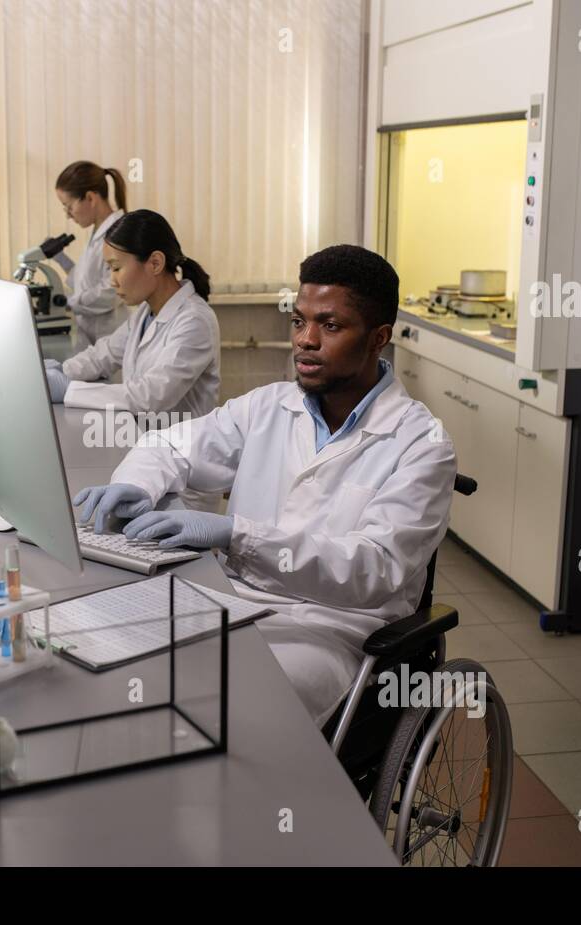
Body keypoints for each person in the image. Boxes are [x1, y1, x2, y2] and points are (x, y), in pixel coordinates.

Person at [71, 245, 457, 724]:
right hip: (231, 597)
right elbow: (167, 447)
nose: (305, 340)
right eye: (299, 322)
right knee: (120, 653)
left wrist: (236, 534)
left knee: (228, 704)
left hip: (331, 630)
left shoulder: (422, 443)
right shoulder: (269, 405)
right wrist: (137, 485)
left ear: (379, 338)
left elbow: (374, 569)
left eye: (330, 326)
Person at [44, 208, 222, 512]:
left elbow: (151, 396)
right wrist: (60, 370)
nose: (112, 280)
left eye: (115, 267)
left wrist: (69, 390)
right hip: (149, 454)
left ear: (155, 262)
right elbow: (104, 354)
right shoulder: (145, 312)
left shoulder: (194, 321)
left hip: (185, 475)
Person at [52, 161, 130, 346]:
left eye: (69, 206)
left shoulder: (118, 234)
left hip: (111, 338)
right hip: (92, 338)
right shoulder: (97, 232)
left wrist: (70, 303)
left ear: (90, 198)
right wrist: (60, 259)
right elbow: (84, 281)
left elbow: (111, 291)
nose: (68, 215)